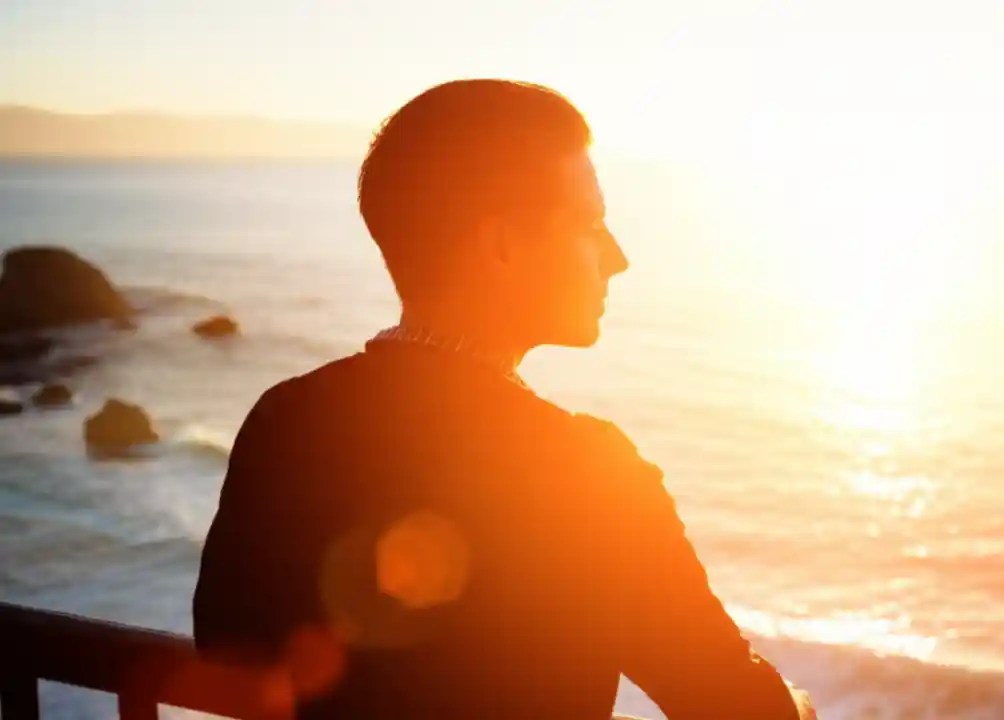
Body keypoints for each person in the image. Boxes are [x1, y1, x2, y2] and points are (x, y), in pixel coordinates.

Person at [193, 79, 815, 720]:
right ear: (502, 247)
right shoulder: (585, 472)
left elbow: (225, 653)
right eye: (590, 225)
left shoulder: (286, 420)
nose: (617, 258)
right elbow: (731, 701)